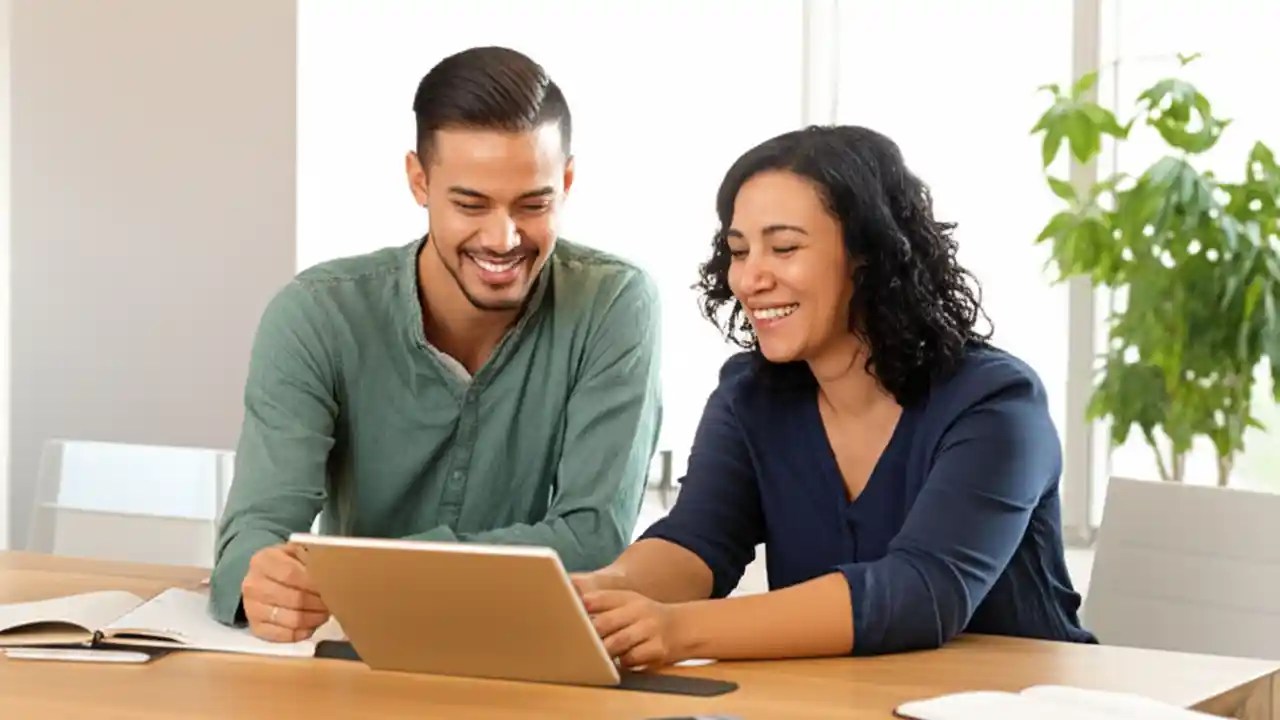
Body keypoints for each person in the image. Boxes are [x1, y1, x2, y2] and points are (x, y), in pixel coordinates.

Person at [571, 125, 1096, 668]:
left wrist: (677, 629)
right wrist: (600, 592)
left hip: (1024, 699)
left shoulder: (997, 403)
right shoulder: (749, 397)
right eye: (739, 251)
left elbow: (921, 593)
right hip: (841, 700)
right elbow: (695, 542)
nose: (749, 279)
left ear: (870, 256)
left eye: (784, 248)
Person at [210, 46, 663, 641]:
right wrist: (262, 578)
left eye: (534, 204)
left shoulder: (615, 304)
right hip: (354, 654)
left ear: (568, 183)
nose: (503, 239)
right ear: (419, 181)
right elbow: (254, 536)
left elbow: (593, 537)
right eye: (470, 204)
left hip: (528, 651)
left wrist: (367, 573)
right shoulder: (316, 314)